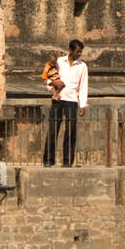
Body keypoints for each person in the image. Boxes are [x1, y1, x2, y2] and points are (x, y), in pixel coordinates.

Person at [43, 39, 88, 167]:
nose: (79, 54)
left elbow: (83, 86)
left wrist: (82, 104)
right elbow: (48, 76)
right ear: (71, 50)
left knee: (70, 131)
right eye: (77, 51)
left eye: (81, 52)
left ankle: (67, 161)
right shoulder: (58, 62)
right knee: (53, 130)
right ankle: (48, 160)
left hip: (72, 100)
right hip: (58, 99)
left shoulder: (82, 66)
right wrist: (52, 87)